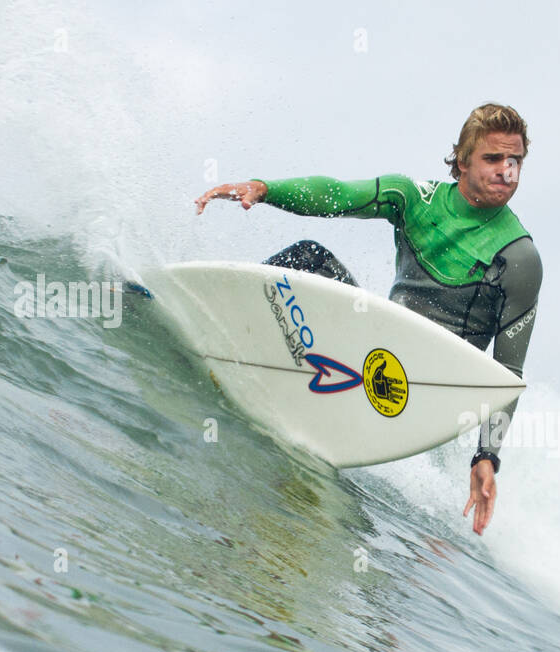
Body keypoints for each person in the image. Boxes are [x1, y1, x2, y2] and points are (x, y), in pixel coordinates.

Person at [194, 103, 541, 536]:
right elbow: (337, 195)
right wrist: (265, 189)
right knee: (309, 257)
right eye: (494, 159)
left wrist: (486, 457)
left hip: (422, 391)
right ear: (463, 160)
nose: (506, 172)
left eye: (516, 161)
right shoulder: (414, 197)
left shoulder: (518, 256)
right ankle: (212, 324)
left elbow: (506, 374)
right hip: (375, 349)